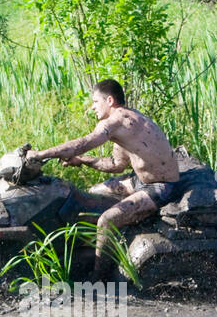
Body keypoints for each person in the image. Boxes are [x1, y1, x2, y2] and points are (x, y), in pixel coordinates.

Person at [30, 79, 181, 279]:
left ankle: (99, 275)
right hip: (139, 180)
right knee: (93, 193)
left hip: (161, 187)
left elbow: (83, 143)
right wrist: (82, 160)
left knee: (106, 220)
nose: (92, 107)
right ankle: (96, 247)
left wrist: (41, 154)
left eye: (95, 102)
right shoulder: (125, 123)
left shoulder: (118, 120)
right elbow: (116, 164)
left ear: (109, 100)